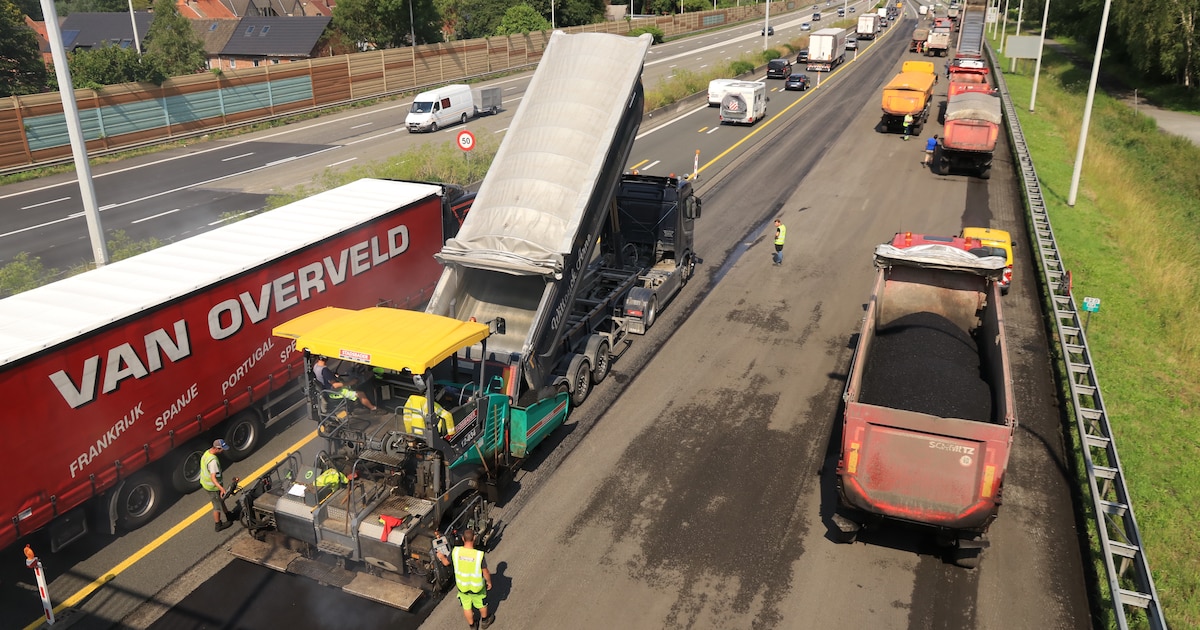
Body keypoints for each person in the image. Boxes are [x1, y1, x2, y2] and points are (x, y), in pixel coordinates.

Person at [438, 529, 494, 629]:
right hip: (477, 588)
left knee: (466, 607)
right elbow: (485, 572)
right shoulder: (478, 555)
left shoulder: (456, 551)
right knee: (481, 604)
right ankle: (485, 621)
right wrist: (489, 582)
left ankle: (472, 626)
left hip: (462, 587)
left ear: (463, 538)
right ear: (474, 538)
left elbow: (446, 562)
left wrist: (441, 556)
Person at [312, 356, 378, 411]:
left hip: (327, 389)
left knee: (350, 384)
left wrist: (334, 376)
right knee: (360, 393)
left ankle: (356, 403)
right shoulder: (325, 371)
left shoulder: (316, 366)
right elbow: (335, 385)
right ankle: (373, 408)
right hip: (335, 392)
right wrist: (351, 382)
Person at [200, 439, 233, 532]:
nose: (223, 451)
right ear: (217, 448)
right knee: (217, 506)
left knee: (220, 500)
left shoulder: (207, 453)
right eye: (222, 449)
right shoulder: (213, 462)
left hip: (206, 484)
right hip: (212, 487)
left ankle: (228, 515)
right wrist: (221, 488)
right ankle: (218, 525)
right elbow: (213, 478)